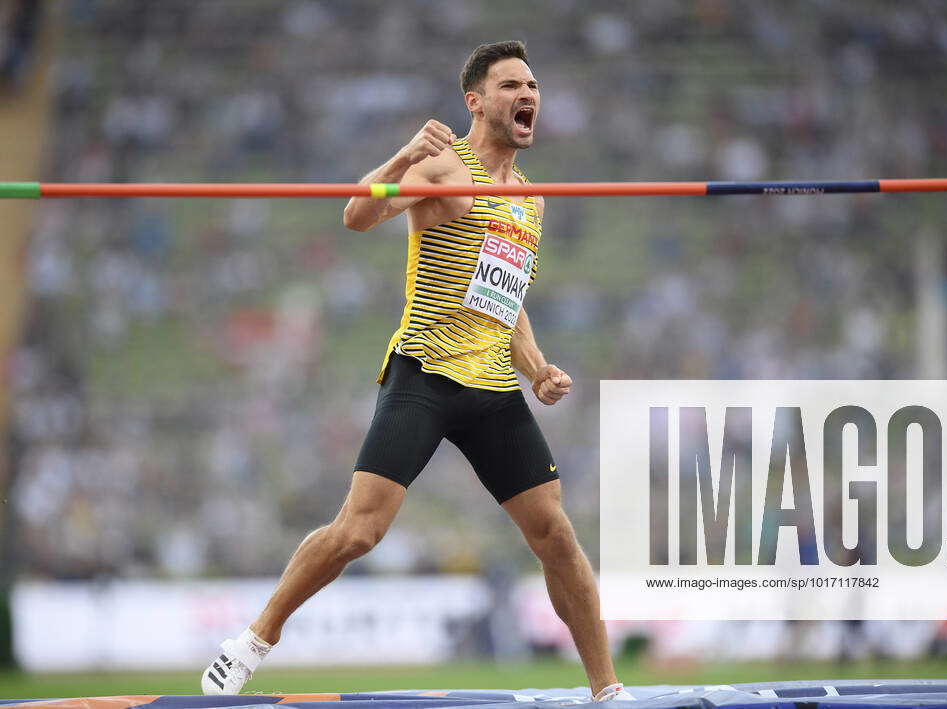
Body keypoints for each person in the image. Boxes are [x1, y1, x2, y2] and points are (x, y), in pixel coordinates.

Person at [201, 40, 632, 702]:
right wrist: (403, 155)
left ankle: (608, 690)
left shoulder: (531, 199)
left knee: (557, 536)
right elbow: (356, 215)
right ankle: (253, 640)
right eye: (512, 85)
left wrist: (538, 368)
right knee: (358, 531)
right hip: (425, 374)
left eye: (534, 86)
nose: (529, 95)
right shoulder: (442, 167)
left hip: (492, 386)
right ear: (476, 101)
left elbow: (504, 300)